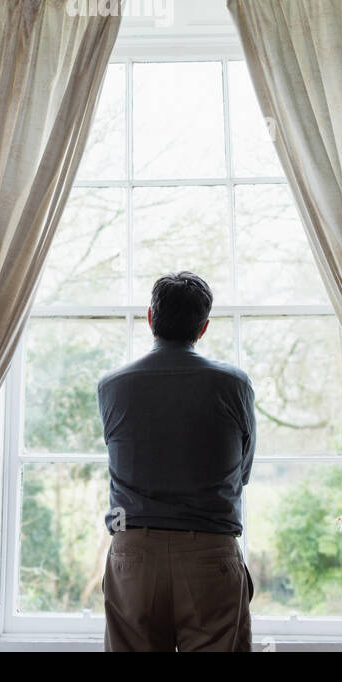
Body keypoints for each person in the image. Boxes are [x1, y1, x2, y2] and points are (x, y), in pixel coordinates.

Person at [97, 271, 257, 652]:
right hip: (209, 552)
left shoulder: (112, 385)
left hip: (133, 554)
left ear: (150, 318)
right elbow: (243, 472)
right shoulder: (234, 384)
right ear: (203, 328)